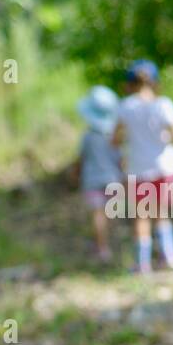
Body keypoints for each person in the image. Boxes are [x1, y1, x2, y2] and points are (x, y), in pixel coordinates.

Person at [113, 59, 173, 273]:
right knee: (161, 212)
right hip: (164, 166)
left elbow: (115, 139)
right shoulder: (164, 105)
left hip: (138, 168)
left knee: (141, 216)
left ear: (130, 83)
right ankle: (169, 257)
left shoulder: (125, 107)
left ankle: (142, 263)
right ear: (154, 82)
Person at [74, 85, 123, 263]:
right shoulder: (114, 137)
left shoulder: (88, 137)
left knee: (97, 214)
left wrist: (75, 174)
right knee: (109, 214)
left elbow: (81, 158)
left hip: (93, 180)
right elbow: (121, 159)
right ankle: (105, 244)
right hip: (113, 180)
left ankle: (101, 247)